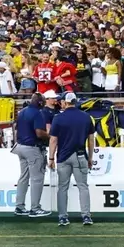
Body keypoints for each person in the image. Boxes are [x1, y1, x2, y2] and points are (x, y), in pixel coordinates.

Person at [48, 92, 95, 227]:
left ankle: (63, 217)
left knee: (62, 187)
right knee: (83, 187)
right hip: (81, 155)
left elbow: (53, 140)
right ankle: (86, 216)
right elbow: (91, 140)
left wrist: (51, 157)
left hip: (63, 157)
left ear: (65, 102)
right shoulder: (86, 117)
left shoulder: (58, 118)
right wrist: (90, 157)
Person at [12, 90, 54, 217]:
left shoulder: (22, 111)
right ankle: (35, 208)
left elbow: (16, 128)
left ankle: (19, 206)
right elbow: (39, 133)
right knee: (37, 179)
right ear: (40, 102)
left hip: (20, 146)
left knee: (23, 177)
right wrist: (50, 137)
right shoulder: (38, 113)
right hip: (32, 148)